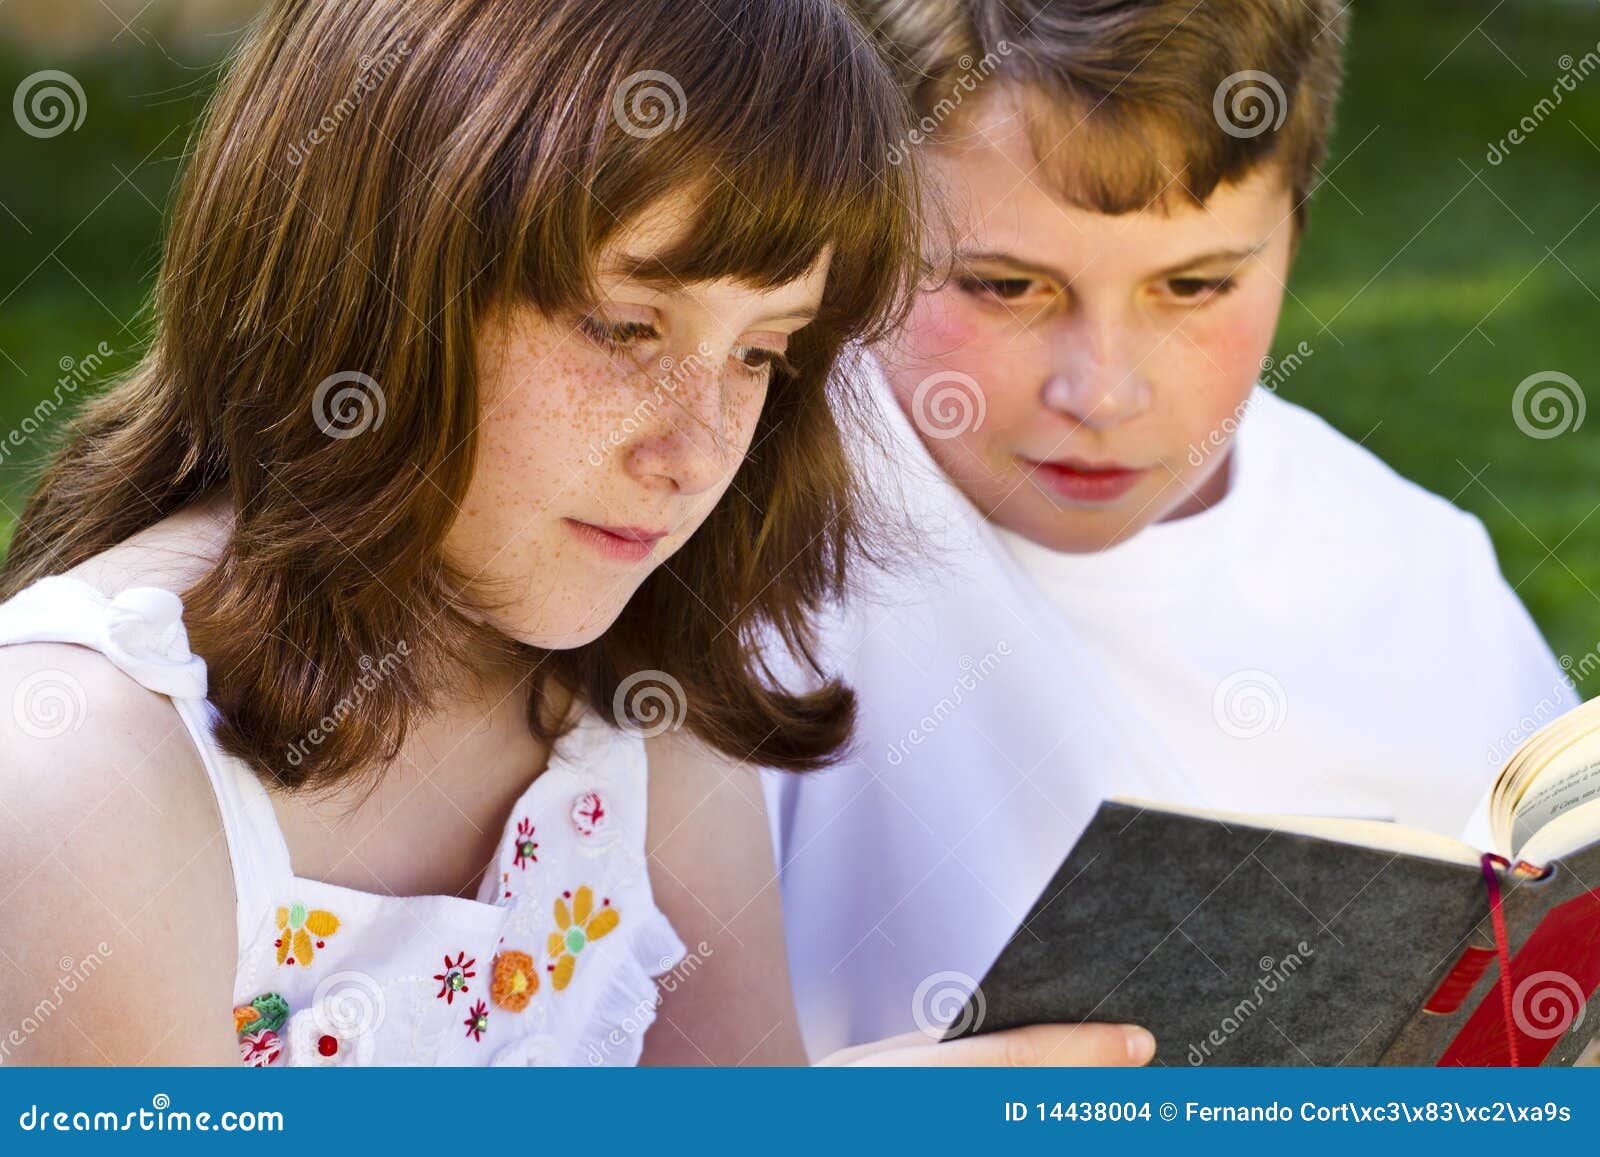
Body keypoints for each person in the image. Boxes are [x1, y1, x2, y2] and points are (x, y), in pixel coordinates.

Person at [0, 0, 1147, 1069]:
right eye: (623, 326)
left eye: (761, 353)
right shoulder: (80, 774)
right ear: (371, 277)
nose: (693, 451)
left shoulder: (638, 714)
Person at [752, 0, 1580, 1058]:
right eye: (1005, 286)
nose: (1102, 391)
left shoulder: (1420, 574)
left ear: (1297, 223)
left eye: (1193, 285)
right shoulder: (740, 538)